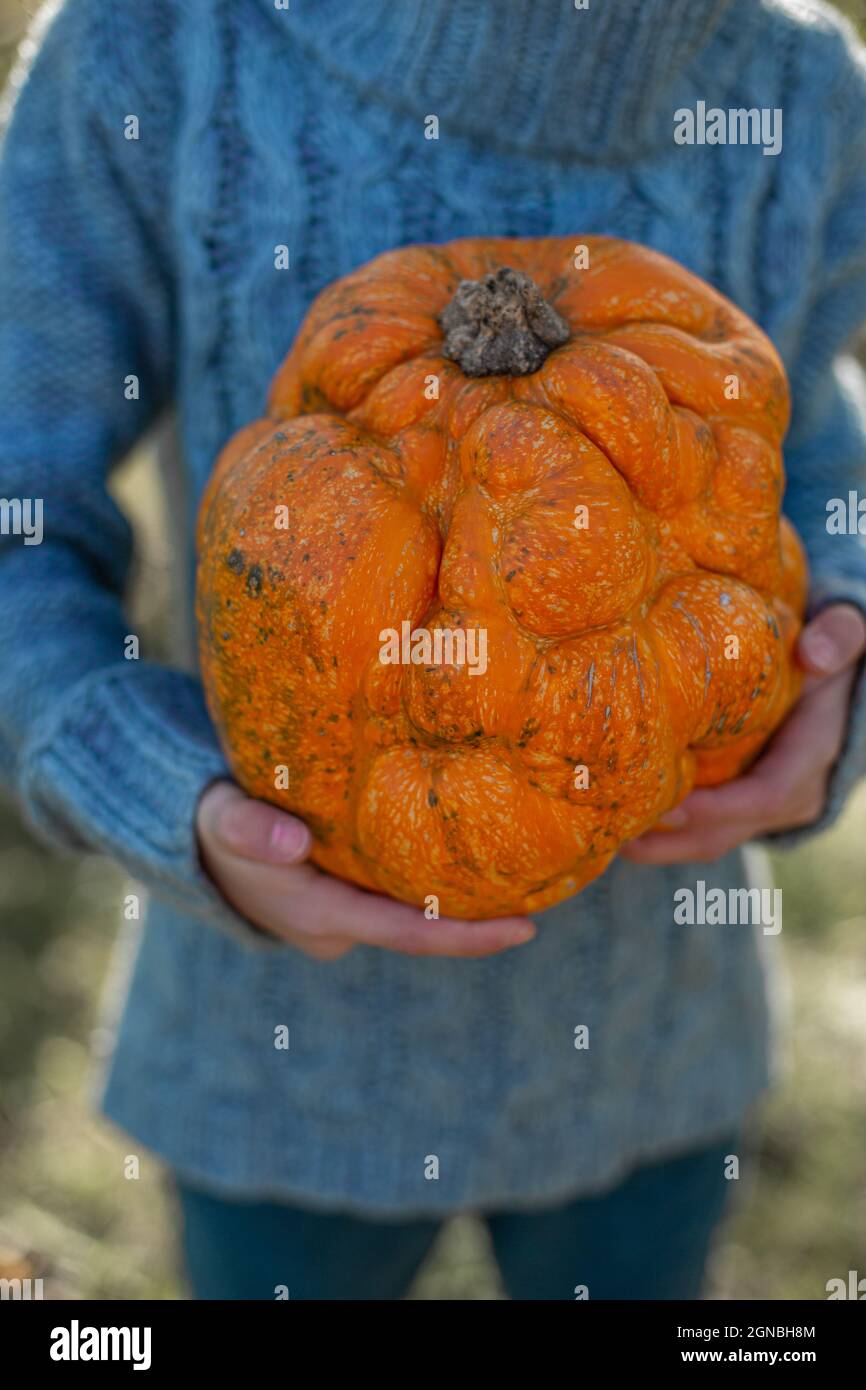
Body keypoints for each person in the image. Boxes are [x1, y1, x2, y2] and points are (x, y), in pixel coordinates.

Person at [1, 0, 864, 1300]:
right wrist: (150, 782)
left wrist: (837, 672)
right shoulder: (152, 49)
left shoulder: (800, 92)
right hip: (273, 1063)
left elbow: (805, 456)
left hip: (651, 1057)